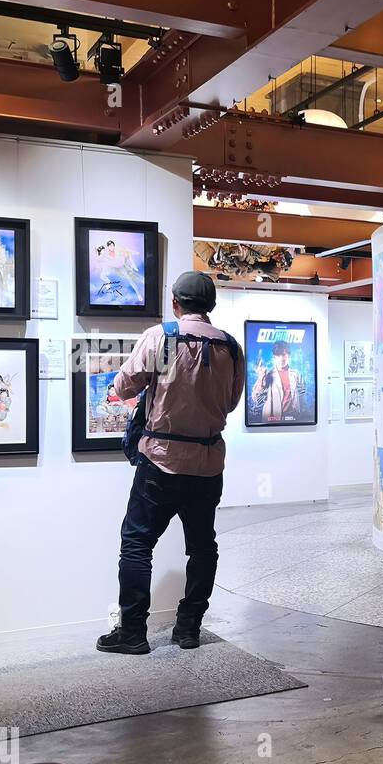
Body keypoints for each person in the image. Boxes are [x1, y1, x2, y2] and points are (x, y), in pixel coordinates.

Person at [97, 272, 243, 655]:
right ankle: (189, 628)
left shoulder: (163, 336)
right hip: (208, 462)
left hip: (160, 461)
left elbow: (126, 386)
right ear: (210, 307)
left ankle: (132, 632)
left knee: (137, 543)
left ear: (176, 304)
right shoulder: (230, 346)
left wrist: (119, 388)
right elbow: (230, 402)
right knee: (202, 547)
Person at [249, 338, 308, 423]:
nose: (281, 358)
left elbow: (302, 398)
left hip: (293, 419)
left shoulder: (296, 375)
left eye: (284, 355)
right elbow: (256, 399)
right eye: (278, 355)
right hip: (273, 420)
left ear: (288, 355)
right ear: (274, 357)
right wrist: (261, 378)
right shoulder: (268, 375)